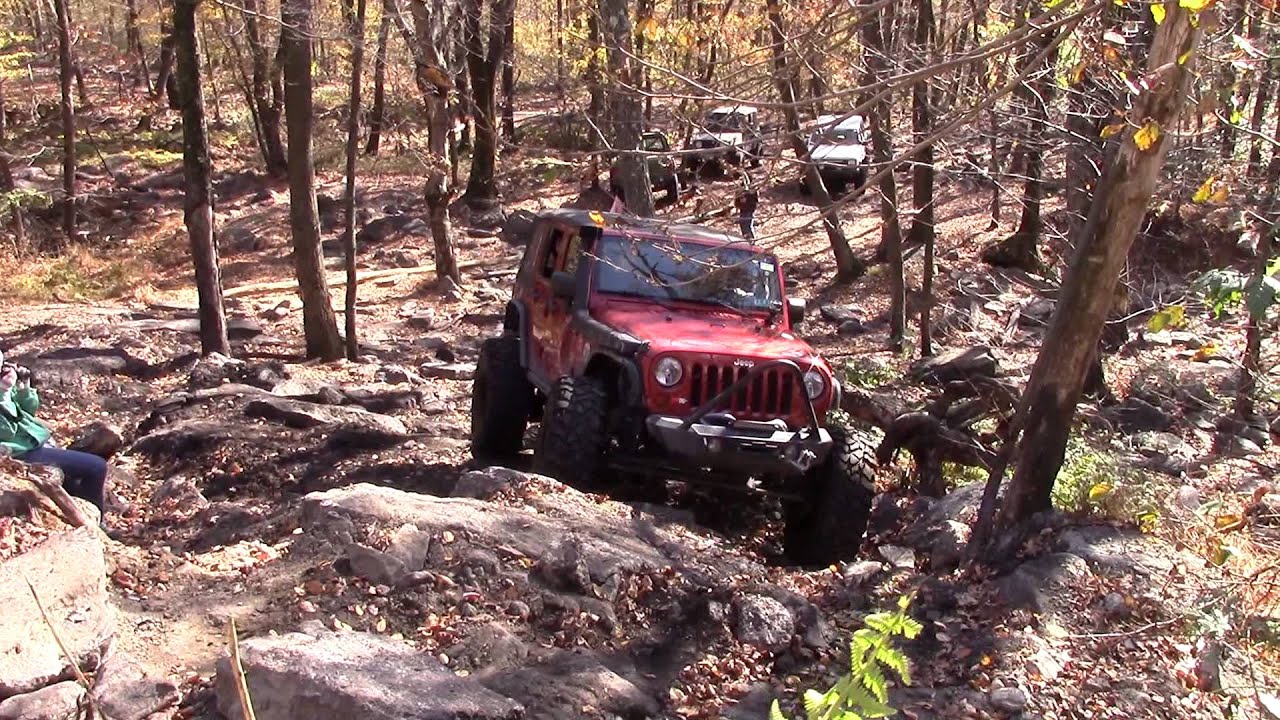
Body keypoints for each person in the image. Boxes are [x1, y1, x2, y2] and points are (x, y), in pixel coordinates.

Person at [0, 350, 108, 519]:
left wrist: (23, 386)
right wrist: (4, 394)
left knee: (75, 475)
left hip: (33, 443)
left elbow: (28, 411)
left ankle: (86, 511)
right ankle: (97, 522)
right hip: (18, 453)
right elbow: (6, 431)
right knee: (96, 466)